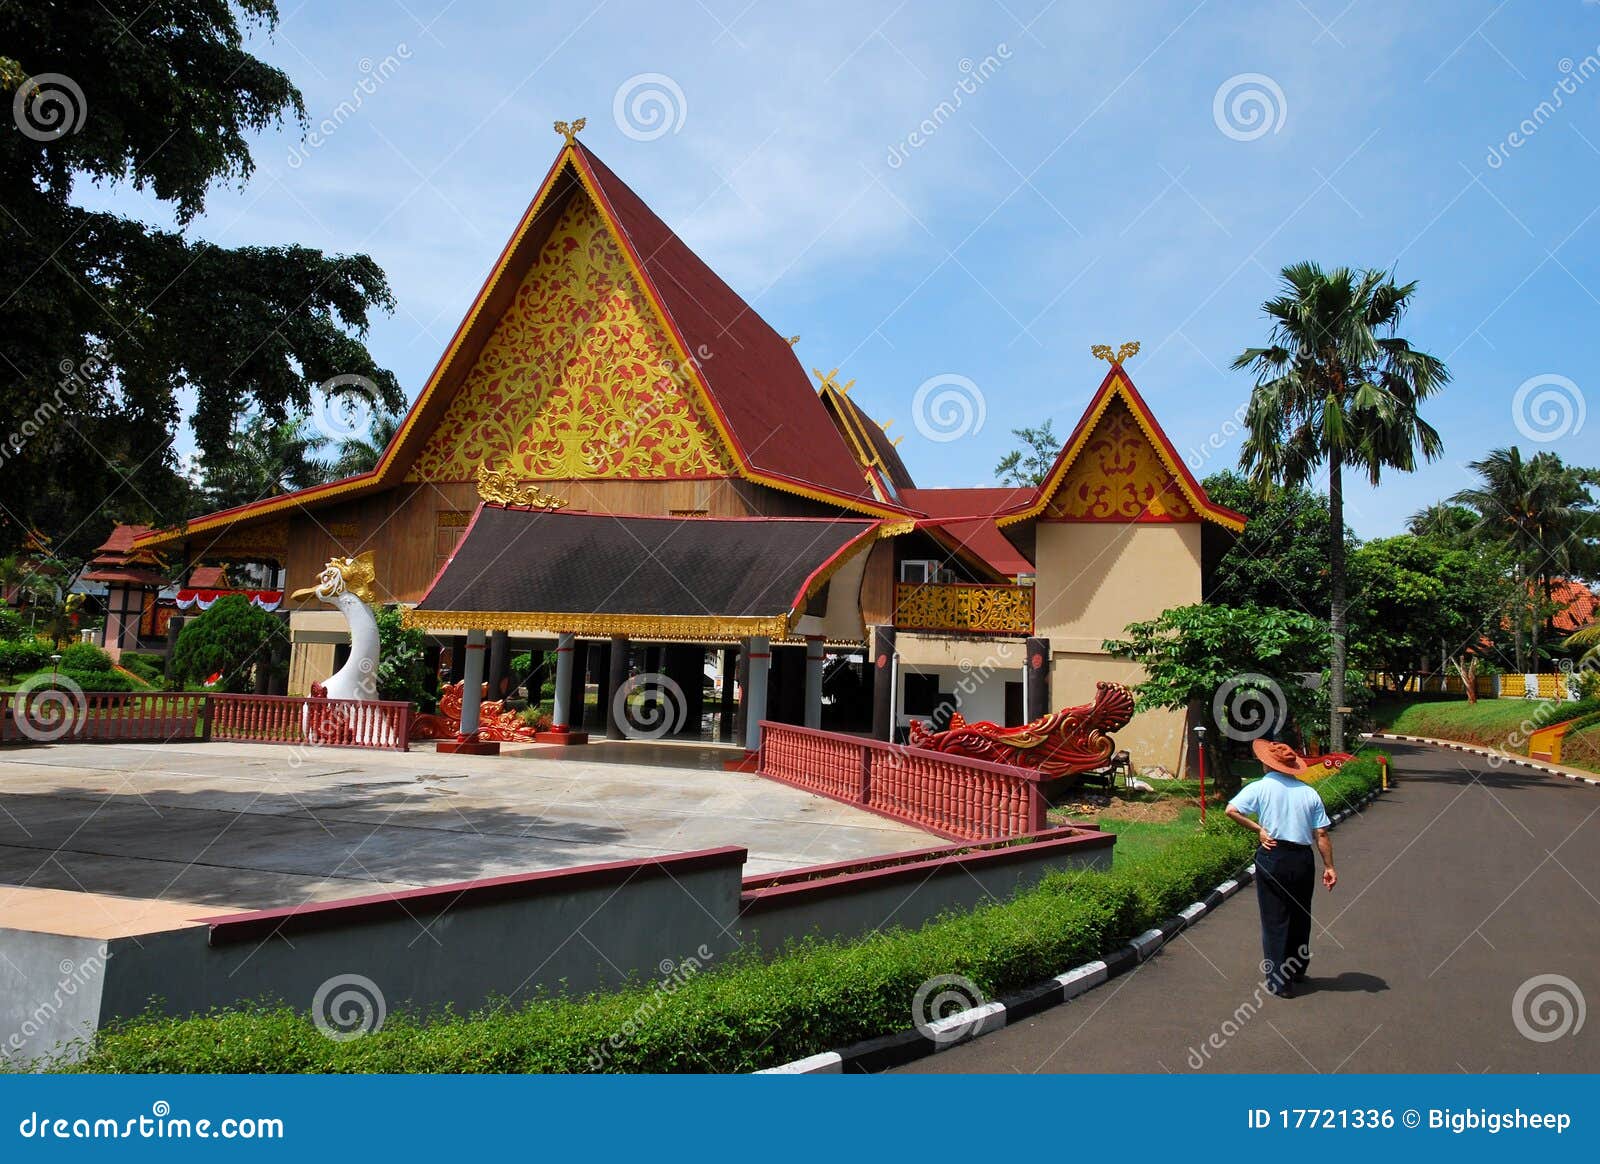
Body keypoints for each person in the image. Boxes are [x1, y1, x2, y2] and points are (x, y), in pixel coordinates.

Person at [1224, 739, 1338, 998]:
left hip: (1273, 855)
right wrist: (1329, 866)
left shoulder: (1260, 787)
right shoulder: (1309, 792)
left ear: (1267, 763)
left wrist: (1259, 830)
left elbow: (1231, 810)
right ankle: (1297, 968)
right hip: (1302, 858)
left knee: (1275, 917)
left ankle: (1279, 981)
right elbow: (1321, 833)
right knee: (1301, 914)